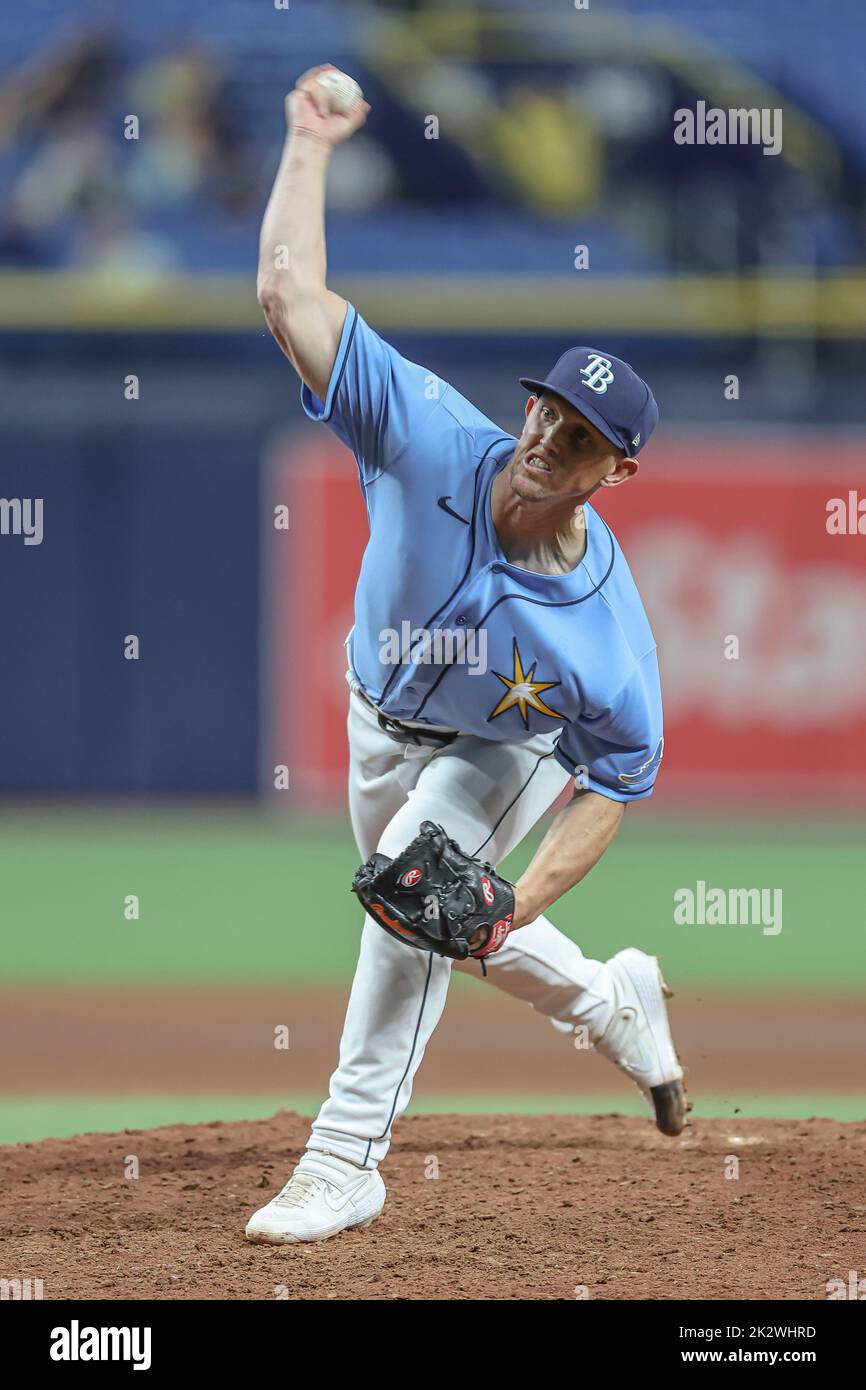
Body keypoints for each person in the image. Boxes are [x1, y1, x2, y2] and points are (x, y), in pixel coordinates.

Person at [246, 66, 685, 1246]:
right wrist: (307, 144)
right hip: (374, 716)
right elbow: (290, 296)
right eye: (547, 408)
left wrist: (506, 892)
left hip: (505, 747)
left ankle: (345, 1158)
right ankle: (609, 999)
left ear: (616, 471)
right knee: (421, 898)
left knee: (412, 904)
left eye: (581, 436)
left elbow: (612, 785)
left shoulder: (604, 637)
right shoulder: (428, 429)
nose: (549, 435)